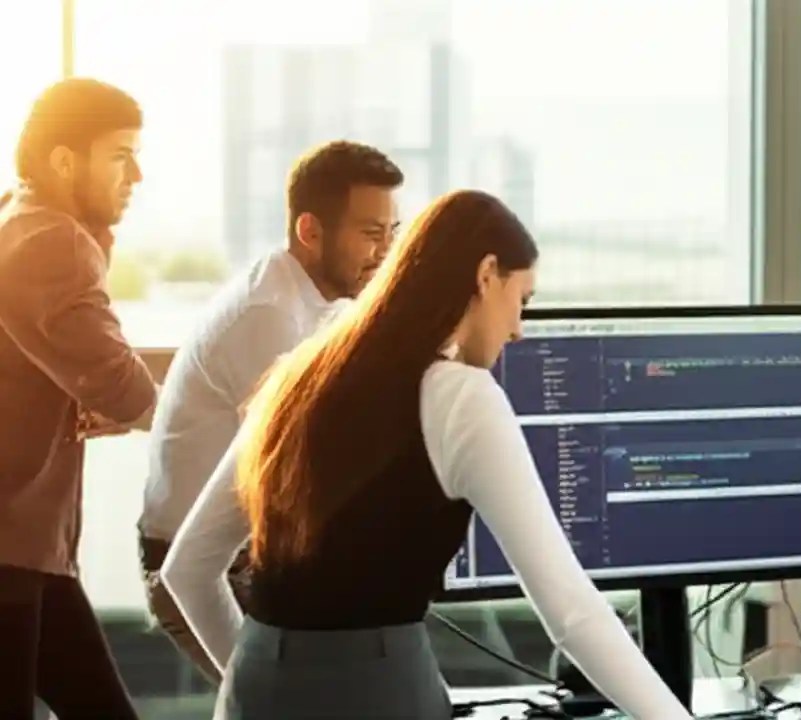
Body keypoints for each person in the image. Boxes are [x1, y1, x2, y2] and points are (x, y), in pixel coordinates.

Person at [160, 190, 692, 719]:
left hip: (253, 692)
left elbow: (187, 568)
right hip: (377, 690)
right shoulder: (460, 397)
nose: (517, 329)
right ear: (486, 275)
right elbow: (573, 615)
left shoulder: (300, 377)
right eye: (520, 300)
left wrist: (257, 676)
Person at [137, 140, 403, 683]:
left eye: (392, 234)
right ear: (310, 231)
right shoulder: (269, 317)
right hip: (200, 568)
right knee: (282, 702)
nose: (385, 252)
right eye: (371, 235)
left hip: (244, 558)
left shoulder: (321, 301)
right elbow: (294, 473)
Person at [0, 78, 156, 720]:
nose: (137, 174)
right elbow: (126, 389)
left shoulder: (16, 220)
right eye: (120, 154)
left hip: (33, 551)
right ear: (64, 161)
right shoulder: (51, 242)